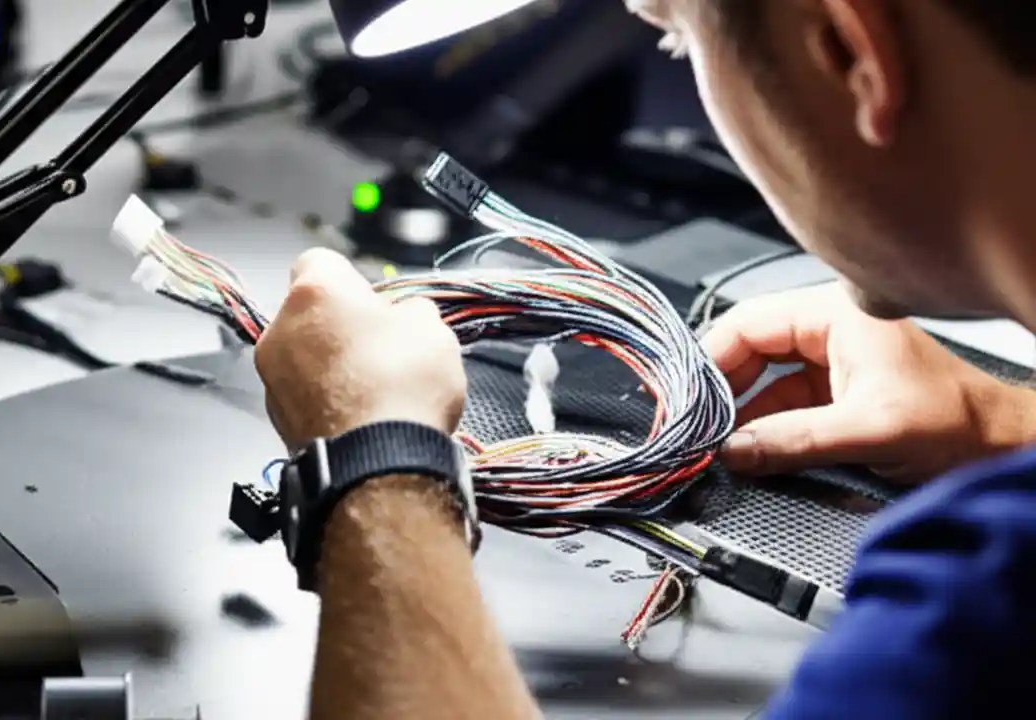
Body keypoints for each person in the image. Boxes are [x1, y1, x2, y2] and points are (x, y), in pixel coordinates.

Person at [252, 1, 1036, 718]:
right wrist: (1003, 420)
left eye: (676, 35)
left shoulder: (981, 607)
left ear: (844, 48)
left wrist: (374, 461)